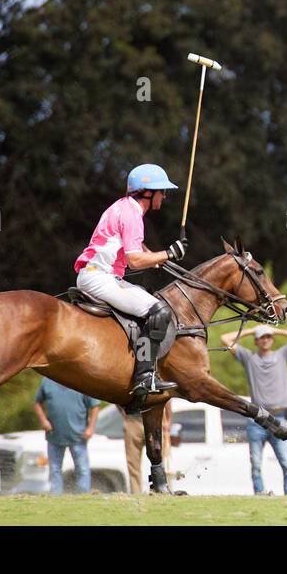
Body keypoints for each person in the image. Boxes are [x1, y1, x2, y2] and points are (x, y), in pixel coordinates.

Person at [74, 163, 188, 409]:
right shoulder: (133, 213)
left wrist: (159, 258)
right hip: (100, 277)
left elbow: (139, 249)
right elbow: (135, 260)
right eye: (162, 191)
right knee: (159, 311)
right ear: (147, 192)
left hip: (95, 274)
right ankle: (144, 377)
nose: (164, 196)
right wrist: (168, 253)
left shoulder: (122, 208)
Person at [221, 323, 287, 495]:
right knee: (256, 465)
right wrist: (253, 330)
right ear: (256, 341)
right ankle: (260, 494)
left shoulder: (282, 354)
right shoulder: (249, 357)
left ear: (272, 339)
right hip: (258, 419)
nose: (265, 340)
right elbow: (225, 339)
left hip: (279, 418)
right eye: (262, 337)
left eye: (268, 337)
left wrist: (275, 330)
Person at [34, 376, 101, 495]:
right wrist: (43, 421)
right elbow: (37, 403)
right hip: (54, 435)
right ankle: (56, 497)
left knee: (82, 469)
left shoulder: (81, 381)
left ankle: (83, 497)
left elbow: (95, 406)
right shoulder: (48, 381)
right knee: (54, 469)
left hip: (78, 436)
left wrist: (91, 428)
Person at [123, 402, 171, 495]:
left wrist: (168, 420)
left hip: (153, 419)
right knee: (134, 465)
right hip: (135, 420)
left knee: (160, 463)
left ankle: (163, 491)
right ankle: (136, 495)